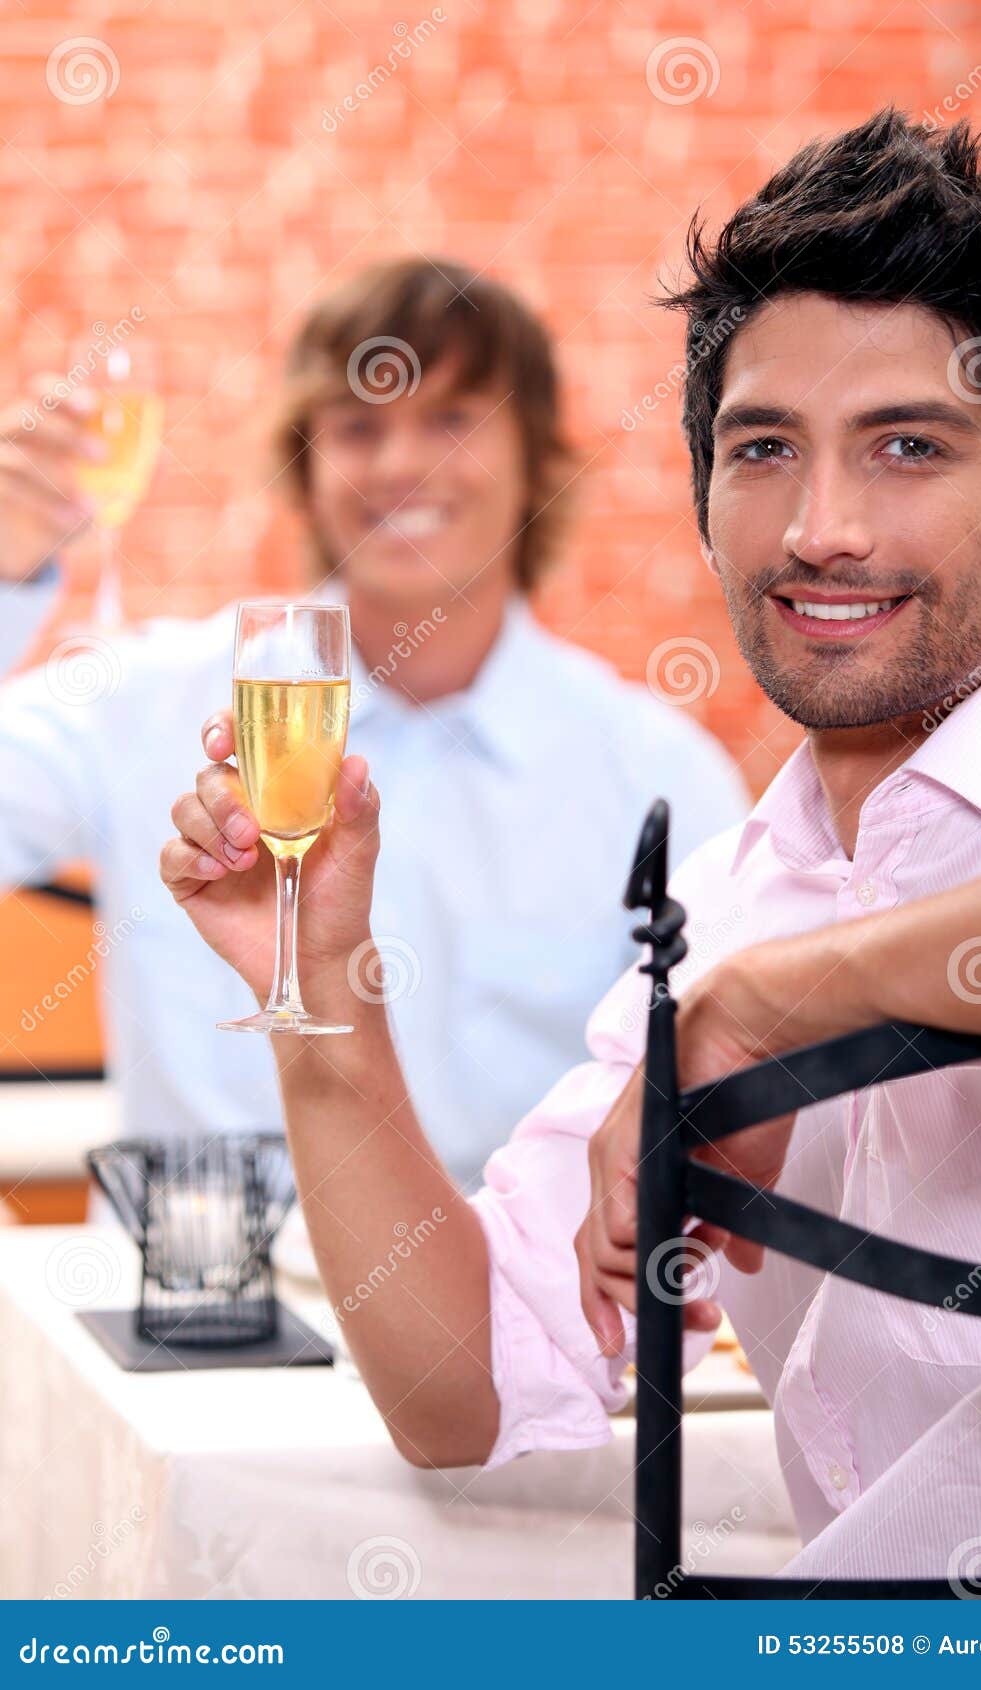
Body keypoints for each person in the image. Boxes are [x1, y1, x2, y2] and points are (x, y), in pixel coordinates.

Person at [160, 108, 981, 1577]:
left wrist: (771, 1002)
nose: (820, 526)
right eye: (762, 447)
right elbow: (460, 1386)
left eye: (908, 445)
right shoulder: (726, 898)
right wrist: (321, 987)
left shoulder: (756, 953)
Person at [0, 259, 747, 1192]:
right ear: (305, 468)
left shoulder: (658, 776)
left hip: (512, 1315)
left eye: (449, 419)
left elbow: (730, 1097)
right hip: (199, 1314)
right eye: (358, 427)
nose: (399, 465)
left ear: (534, 463)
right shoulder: (142, 702)